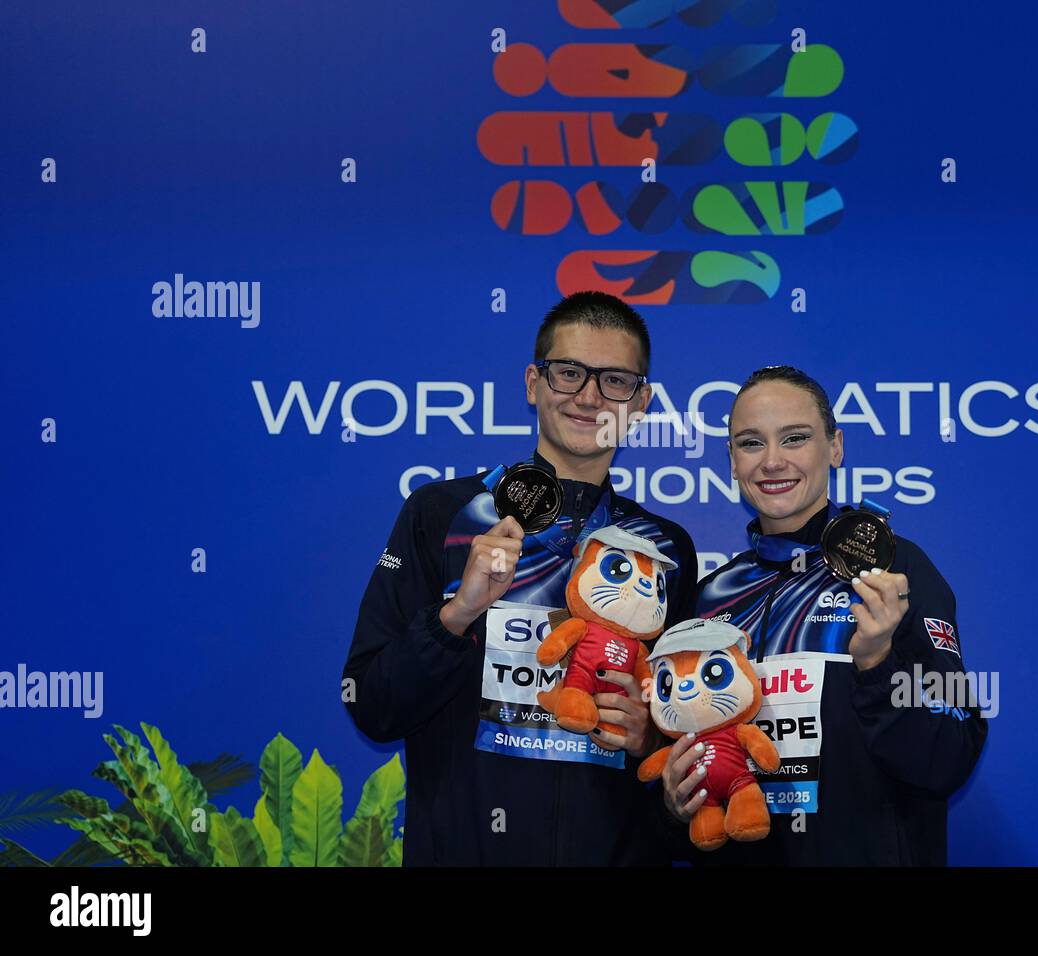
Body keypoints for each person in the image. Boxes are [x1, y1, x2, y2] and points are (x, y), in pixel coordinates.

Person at [342, 291, 698, 865]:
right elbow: (372, 705)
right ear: (533, 383)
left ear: (641, 402)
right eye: (569, 373)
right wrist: (455, 615)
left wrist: (648, 739)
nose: (589, 397)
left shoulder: (665, 549)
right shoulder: (442, 514)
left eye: (615, 381)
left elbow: (683, 749)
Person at [655, 365, 986, 865]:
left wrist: (878, 666)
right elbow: (694, 785)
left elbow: (951, 753)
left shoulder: (897, 568)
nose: (772, 461)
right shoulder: (710, 600)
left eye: (794, 438)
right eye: (750, 443)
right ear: (731, 461)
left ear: (835, 447)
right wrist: (679, 804)